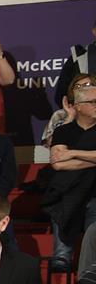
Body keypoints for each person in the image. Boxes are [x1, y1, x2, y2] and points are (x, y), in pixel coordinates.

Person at [42, 79, 96, 269]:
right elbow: (57, 163)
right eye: (92, 102)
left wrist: (72, 153)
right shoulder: (64, 130)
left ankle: (91, 266)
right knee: (63, 199)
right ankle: (62, 257)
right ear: (79, 107)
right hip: (68, 191)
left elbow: (65, 158)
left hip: (94, 193)